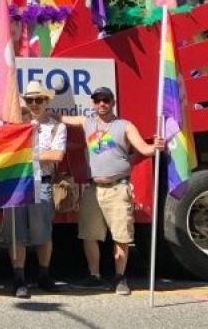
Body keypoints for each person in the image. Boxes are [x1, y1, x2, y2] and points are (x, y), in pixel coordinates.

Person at [61, 87, 156, 295]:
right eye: (97, 100)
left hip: (117, 188)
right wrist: (42, 113)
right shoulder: (88, 123)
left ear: (113, 102)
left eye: (106, 100)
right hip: (94, 189)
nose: (101, 104)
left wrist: (156, 146)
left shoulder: (125, 126)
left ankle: (120, 278)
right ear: (93, 103)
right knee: (89, 235)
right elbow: (63, 119)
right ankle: (94, 276)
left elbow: (144, 149)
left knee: (121, 236)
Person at [4, 80, 67, 298]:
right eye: (30, 100)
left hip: (43, 182)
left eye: (39, 99)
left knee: (43, 232)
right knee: (17, 233)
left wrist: (26, 154)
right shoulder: (16, 126)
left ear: (46, 100)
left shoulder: (58, 126)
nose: (34, 103)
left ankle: (43, 275)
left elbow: (56, 155)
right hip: (17, 184)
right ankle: (19, 278)